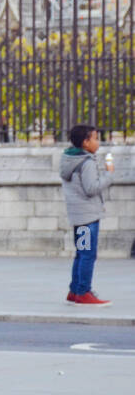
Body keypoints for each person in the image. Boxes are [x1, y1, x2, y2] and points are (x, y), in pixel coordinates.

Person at [60, 123, 115, 305]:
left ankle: (75, 290)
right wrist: (109, 175)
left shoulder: (69, 159)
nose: (98, 142)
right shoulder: (87, 162)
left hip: (78, 215)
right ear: (85, 142)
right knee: (87, 255)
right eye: (95, 138)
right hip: (88, 217)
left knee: (81, 253)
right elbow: (91, 188)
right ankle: (83, 291)